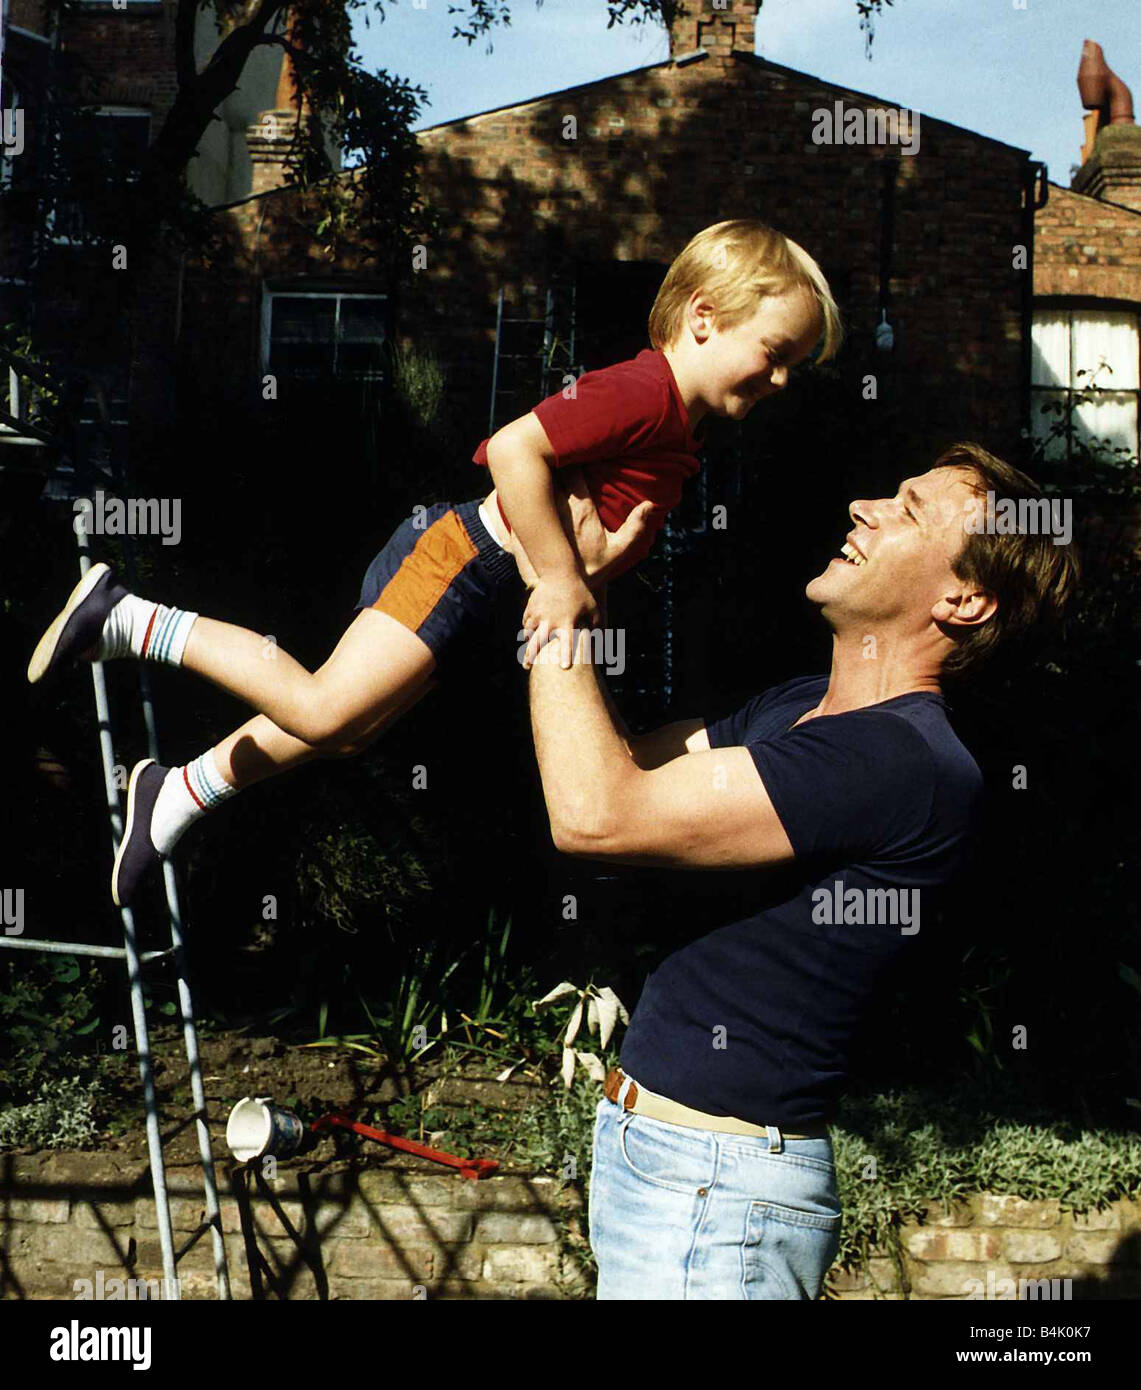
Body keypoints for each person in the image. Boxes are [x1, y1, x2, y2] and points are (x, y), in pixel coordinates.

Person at [24, 219, 840, 907]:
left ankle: (177, 792)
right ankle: (129, 616)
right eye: (773, 352)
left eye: (793, 367)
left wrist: (585, 572)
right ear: (703, 317)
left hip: (482, 584)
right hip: (464, 557)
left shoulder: (675, 426)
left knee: (345, 729)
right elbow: (515, 449)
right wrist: (561, 576)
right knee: (325, 710)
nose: (779, 378)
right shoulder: (641, 393)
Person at [525, 442, 1078, 1300]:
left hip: (715, 1194)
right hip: (670, 1168)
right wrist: (585, 589)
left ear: (962, 599)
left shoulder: (904, 763)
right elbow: (615, 762)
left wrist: (553, 601)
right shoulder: (797, 707)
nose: (865, 507)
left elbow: (595, 815)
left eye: (909, 508)